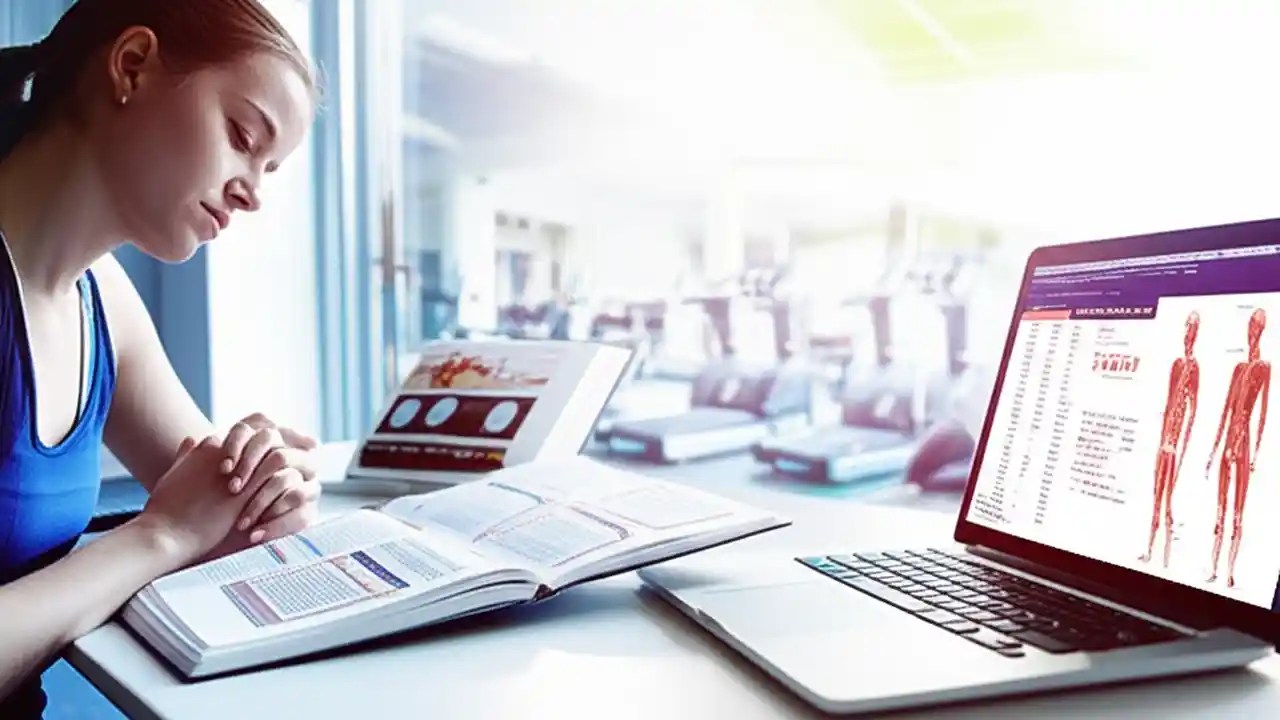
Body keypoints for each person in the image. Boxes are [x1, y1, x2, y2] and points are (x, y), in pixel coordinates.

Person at [0, 1, 324, 715]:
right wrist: (158, 536)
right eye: (243, 136)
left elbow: (222, 505)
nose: (253, 193)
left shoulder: (102, 302)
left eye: (268, 167)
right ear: (133, 65)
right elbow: (178, 524)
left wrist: (272, 482)